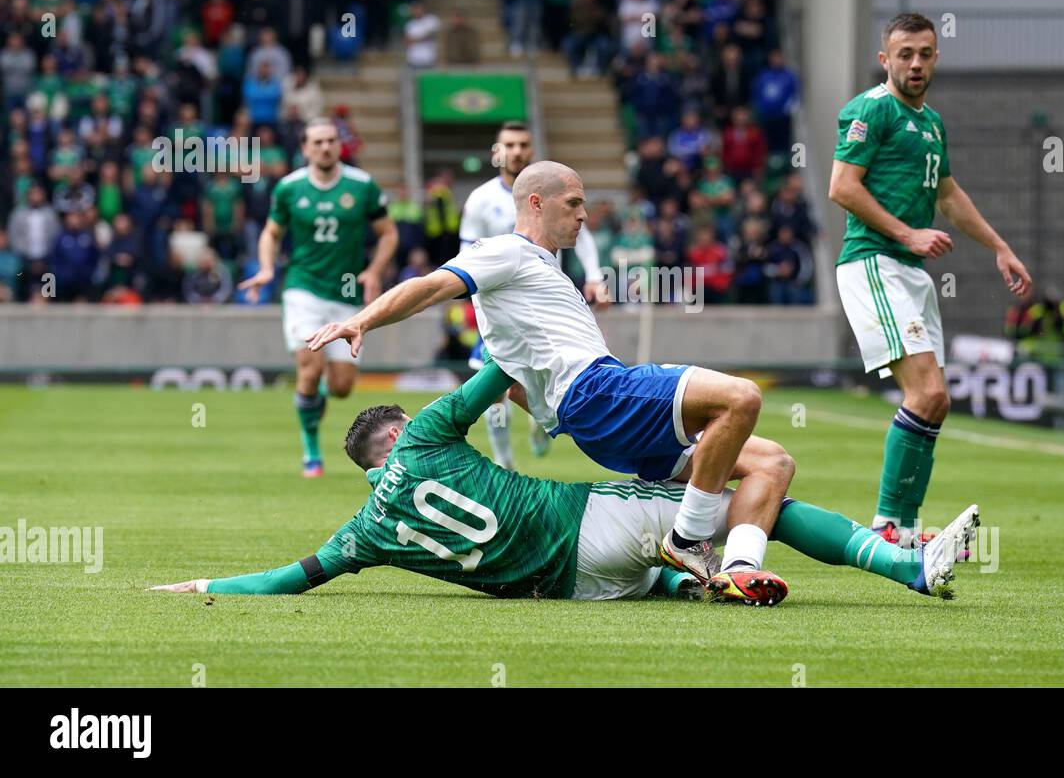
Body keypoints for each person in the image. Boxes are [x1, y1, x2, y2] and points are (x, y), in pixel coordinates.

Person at [308, 161, 795, 596]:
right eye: (575, 202)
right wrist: (363, 319)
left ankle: (737, 569)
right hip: (597, 395)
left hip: (596, 413)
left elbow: (518, 377)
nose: (584, 215)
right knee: (741, 397)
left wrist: (548, 411)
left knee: (772, 463)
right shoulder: (505, 252)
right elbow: (430, 286)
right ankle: (687, 540)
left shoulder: (540, 276)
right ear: (537, 203)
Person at [151, 359, 979, 605]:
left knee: (688, 548)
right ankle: (905, 564)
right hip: (585, 521)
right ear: (398, 432)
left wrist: (202, 582)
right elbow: (503, 363)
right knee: (765, 476)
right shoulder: (432, 430)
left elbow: (288, 579)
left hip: (573, 587)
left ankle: (700, 584)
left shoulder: (361, 533)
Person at [828, 12, 1032, 548]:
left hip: (909, 273)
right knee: (927, 390)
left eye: (924, 53)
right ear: (885, 59)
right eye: (904, 54)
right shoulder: (870, 110)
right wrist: (910, 235)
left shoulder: (933, 123)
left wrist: (1000, 247)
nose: (914, 63)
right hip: (874, 262)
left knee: (936, 400)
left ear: (936, 56)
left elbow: (947, 196)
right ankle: (888, 525)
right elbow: (843, 187)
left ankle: (906, 528)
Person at [238, 119, 399, 477]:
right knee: (310, 366)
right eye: (318, 142)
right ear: (305, 148)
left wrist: (374, 270)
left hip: (345, 289)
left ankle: (314, 397)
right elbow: (271, 233)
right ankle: (311, 452)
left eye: (331, 141)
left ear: (339, 145)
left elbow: (388, 233)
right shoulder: (290, 188)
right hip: (303, 286)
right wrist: (266, 269)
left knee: (341, 387)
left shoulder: (361, 186)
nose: (325, 147)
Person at [457, 122, 608, 469]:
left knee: (548, 375)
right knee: (496, 389)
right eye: (508, 145)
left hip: (544, 303)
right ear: (498, 152)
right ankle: (504, 460)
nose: (516, 151)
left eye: (523, 144)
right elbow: (467, 252)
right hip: (499, 306)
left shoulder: (550, 192)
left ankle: (543, 422)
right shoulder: (481, 200)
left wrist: (596, 276)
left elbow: (580, 235)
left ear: (531, 149)